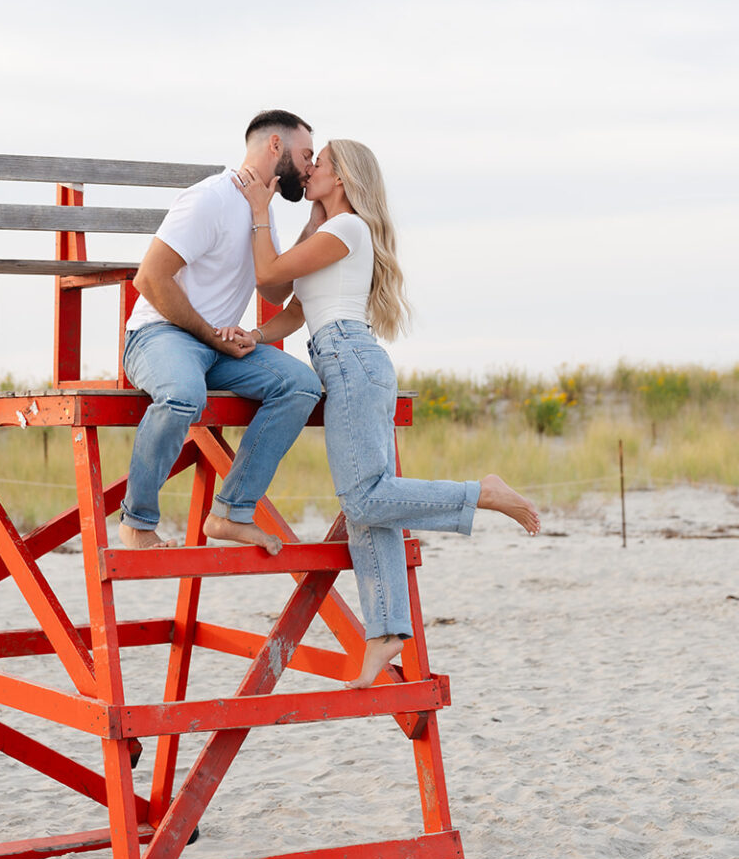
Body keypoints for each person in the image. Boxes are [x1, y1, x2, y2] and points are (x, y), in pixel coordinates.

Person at [229, 139, 541, 688]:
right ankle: (387, 632)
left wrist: (260, 212)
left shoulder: (347, 229)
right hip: (345, 360)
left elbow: (264, 273)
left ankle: (482, 493)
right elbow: (290, 302)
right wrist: (254, 335)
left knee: (364, 498)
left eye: (318, 162)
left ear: (343, 177)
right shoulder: (325, 232)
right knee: (371, 506)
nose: (309, 167)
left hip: (350, 360)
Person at [118, 110, 324, 555]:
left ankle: (231, 513)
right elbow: (150, 280)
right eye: (306, 154)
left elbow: (272, 285)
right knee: (181, 396)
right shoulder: (209, 198)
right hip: (161, 335)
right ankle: (137, 524)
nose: (310, 166)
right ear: (275, 146)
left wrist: (305, 224)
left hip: (218, 346)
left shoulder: (258, 207)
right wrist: (210, 335)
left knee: (301, 385)